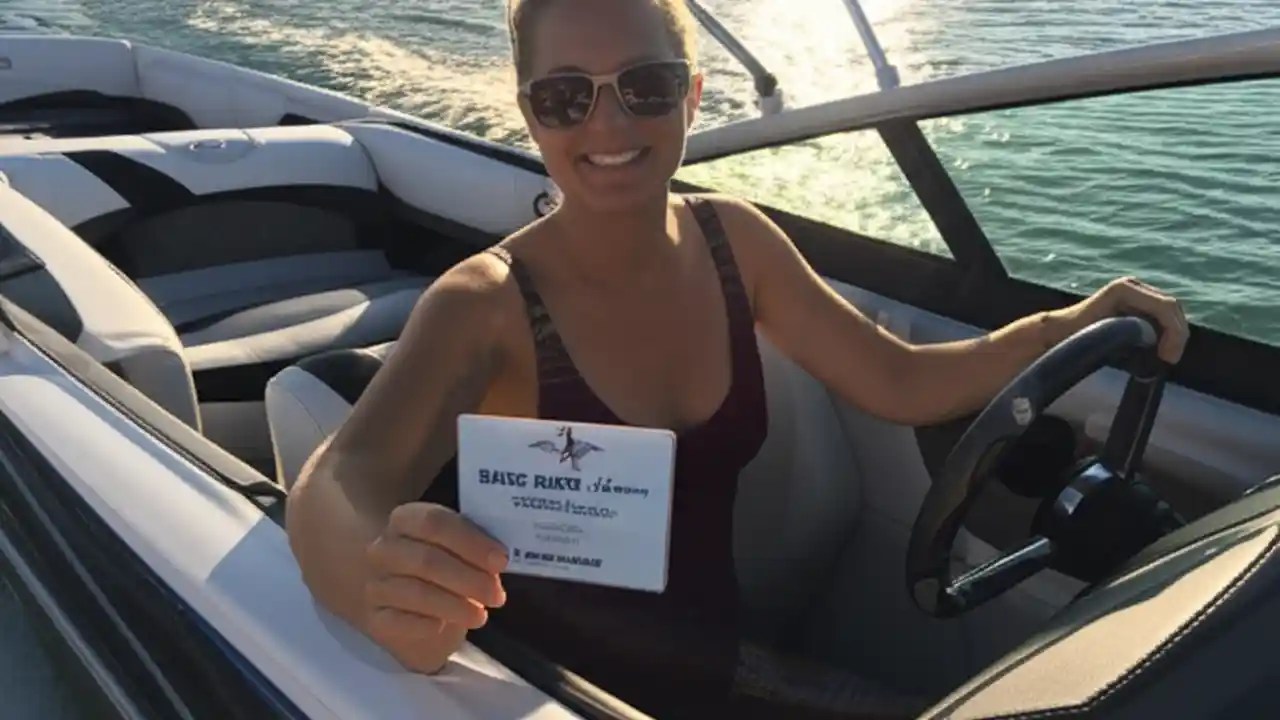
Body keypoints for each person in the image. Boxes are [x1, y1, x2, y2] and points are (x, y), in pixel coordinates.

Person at [284, 0, 1190, 717]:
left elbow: (901, 380)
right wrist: (379, 580)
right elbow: (341, 479)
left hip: (720, 665)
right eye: (568, 95)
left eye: (646, 84)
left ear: (692, 95)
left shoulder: (736, 243)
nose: (609, 121)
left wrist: (1073, 321)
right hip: (548, 690)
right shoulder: (484, 304)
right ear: (528, 112)